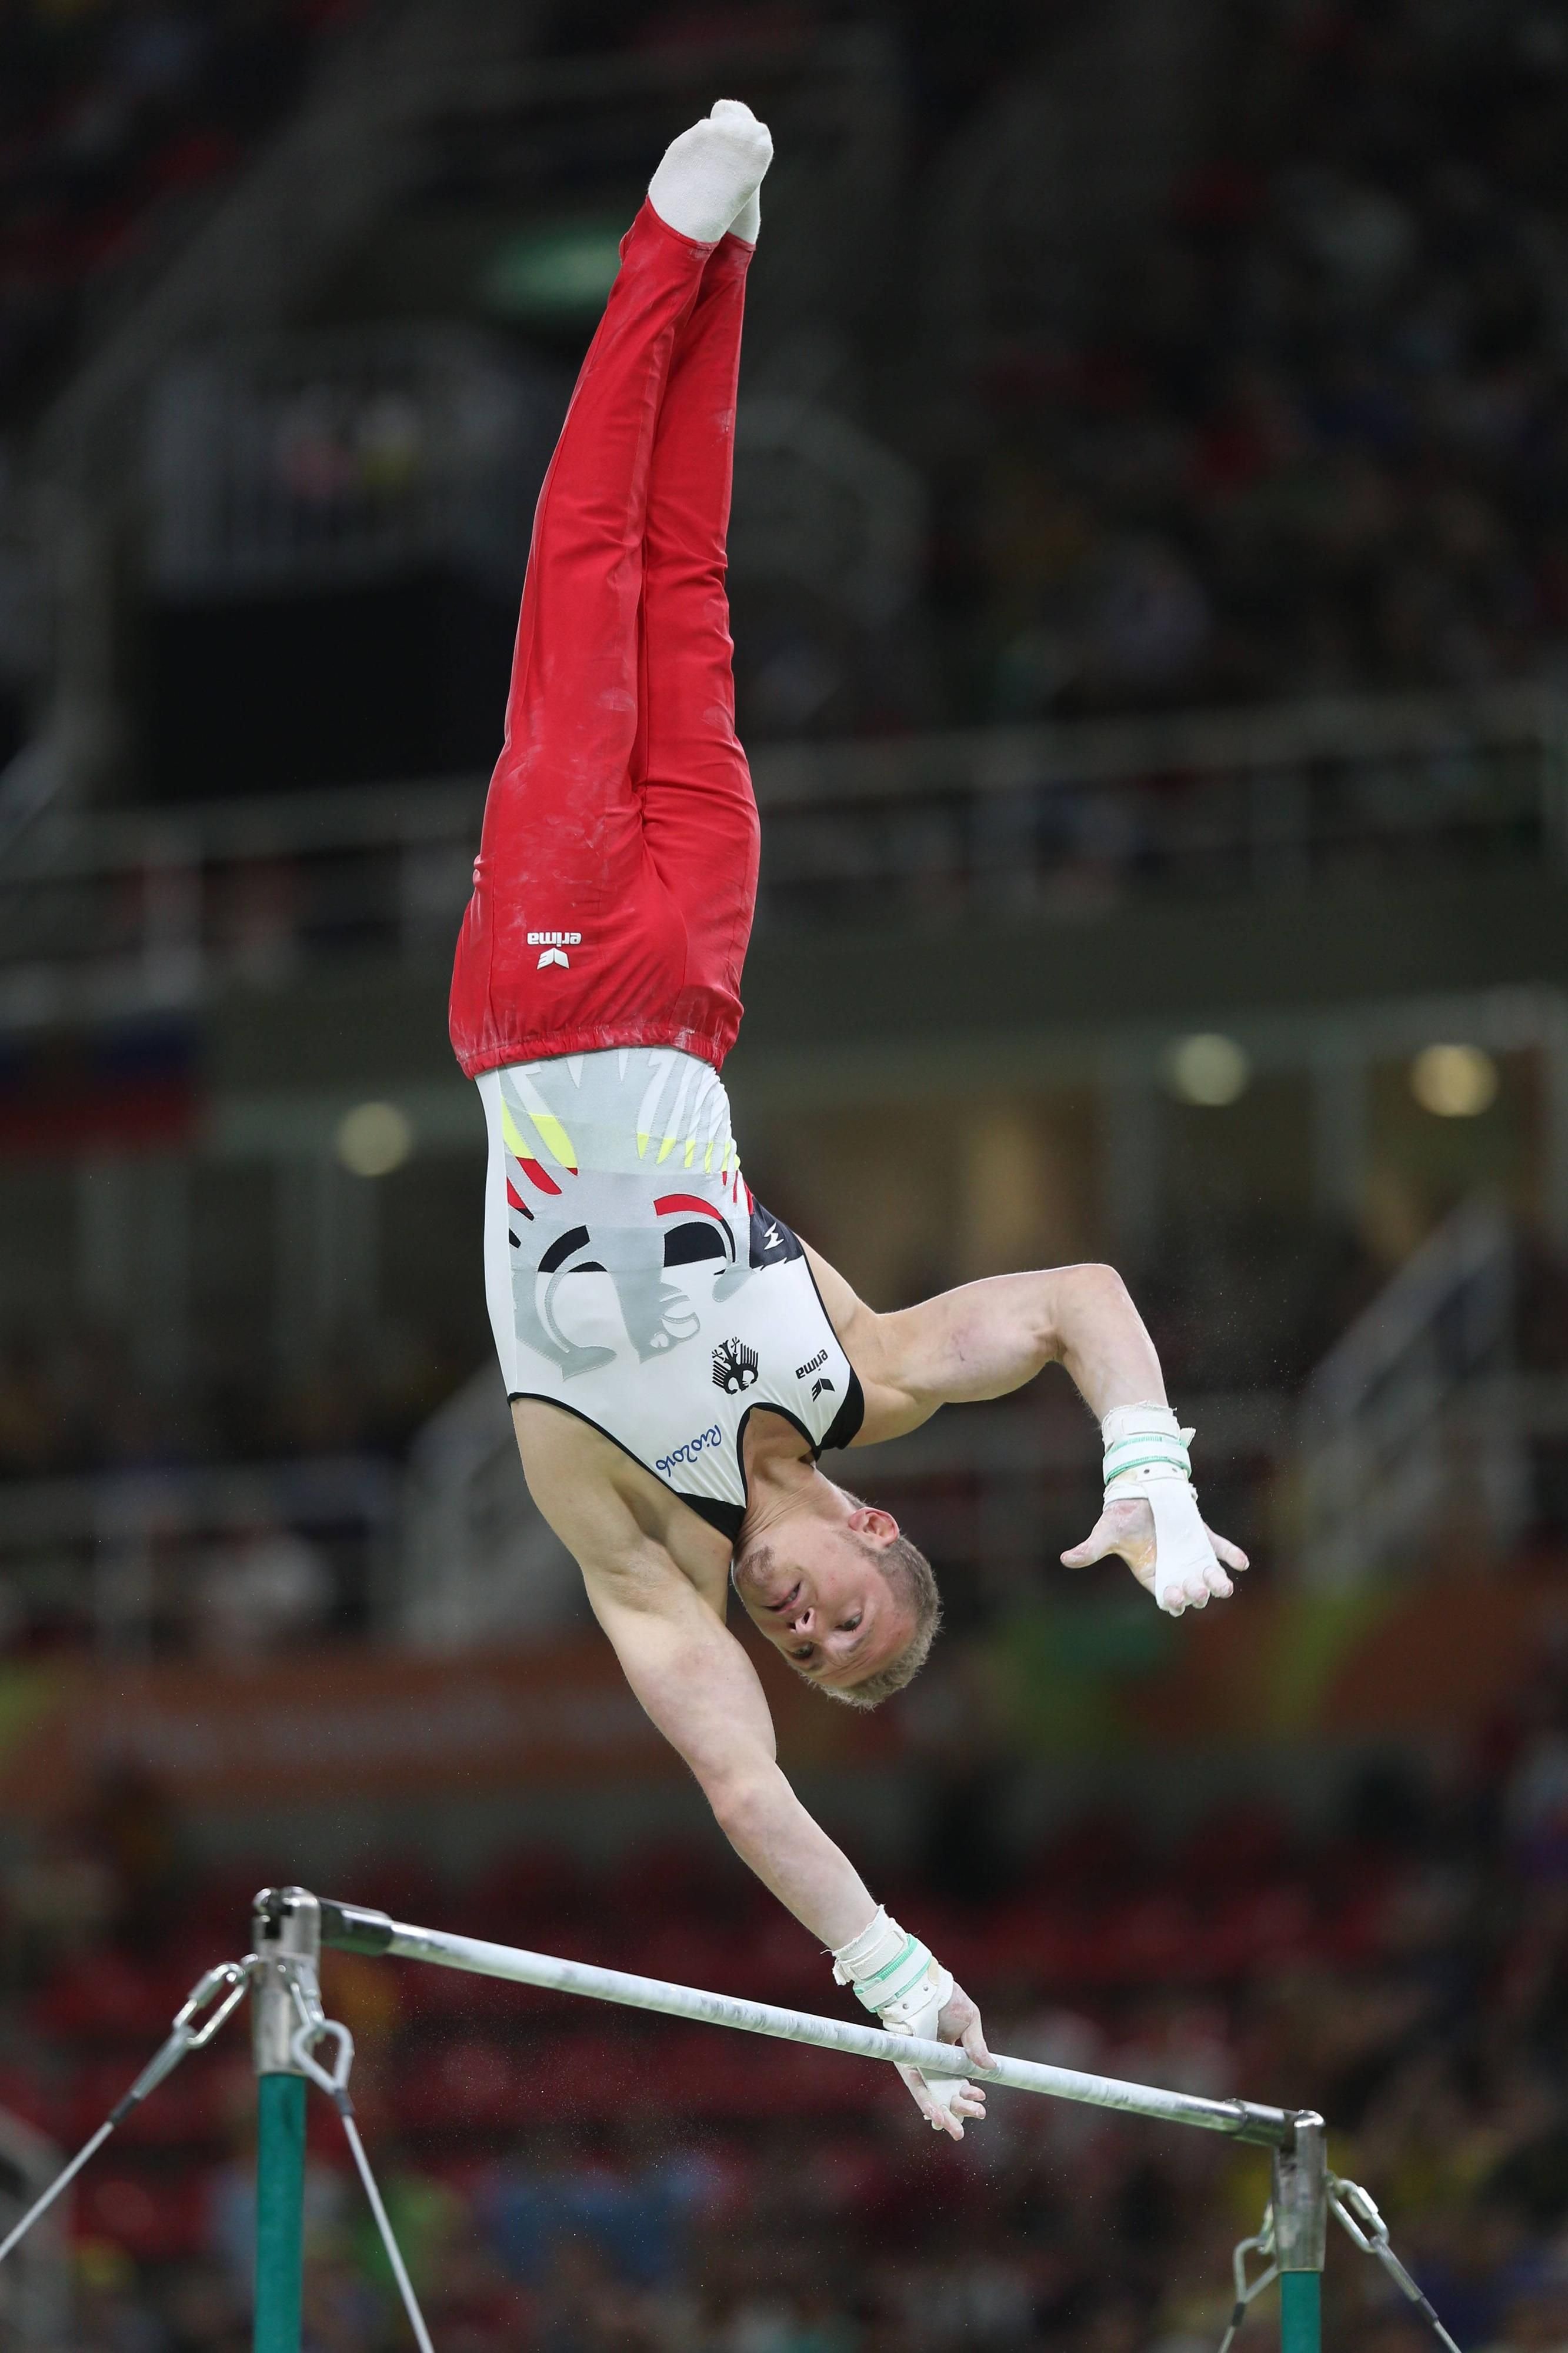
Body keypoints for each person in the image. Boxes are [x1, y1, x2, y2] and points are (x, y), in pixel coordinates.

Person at [448, 104, 1248, 2139]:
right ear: (880, 1536)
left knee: (583, 572)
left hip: (536, 1002)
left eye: (810, 1653)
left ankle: (661, 244)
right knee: (689, 580)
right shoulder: (873, 1377)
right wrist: (1143, 1459)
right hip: (697, 979)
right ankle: (728, 267)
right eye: (852, 1622)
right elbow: (1074, 1291)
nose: (807, 1634)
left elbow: (739, 1785)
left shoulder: (631, 1535)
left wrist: (882, 1960)